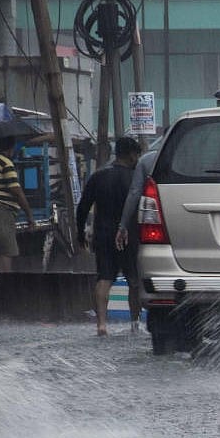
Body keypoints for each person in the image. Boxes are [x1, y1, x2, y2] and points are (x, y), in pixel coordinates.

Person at [77, 136, 142, 336]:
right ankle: (134, 324)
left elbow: (82, 207)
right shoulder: (135, 179)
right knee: (133, 280)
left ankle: (102, 325)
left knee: (104, 278)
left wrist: (80, 232)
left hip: (103, 234)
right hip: (129, 236)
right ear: (132, 155)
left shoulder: (98, 176)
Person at [0, 135, 37, 272]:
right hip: (0, 213)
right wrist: (30, 216)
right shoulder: (5, 162)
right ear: (10, 148)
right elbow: (16, 191)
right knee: (4, 254)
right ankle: (4, 290)